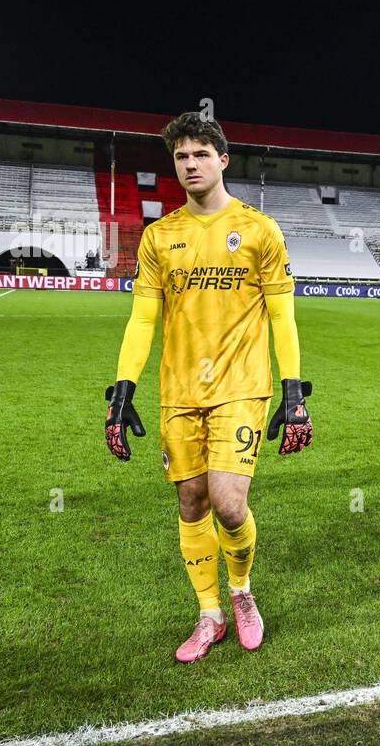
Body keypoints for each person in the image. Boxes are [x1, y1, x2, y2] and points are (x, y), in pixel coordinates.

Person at [104, 112, 313, 663]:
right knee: (191, 501)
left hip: (242, 386)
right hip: (177, 391)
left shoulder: (260, 230)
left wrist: (293, 392)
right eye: (181, 156)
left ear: (223, 160)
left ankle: (241, 592)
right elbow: (143, 320)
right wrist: (122, 390)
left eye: (200, 154)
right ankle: (209, 613)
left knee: (227, 502)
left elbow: (282, 317)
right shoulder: (159, 236)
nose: (190, 164)